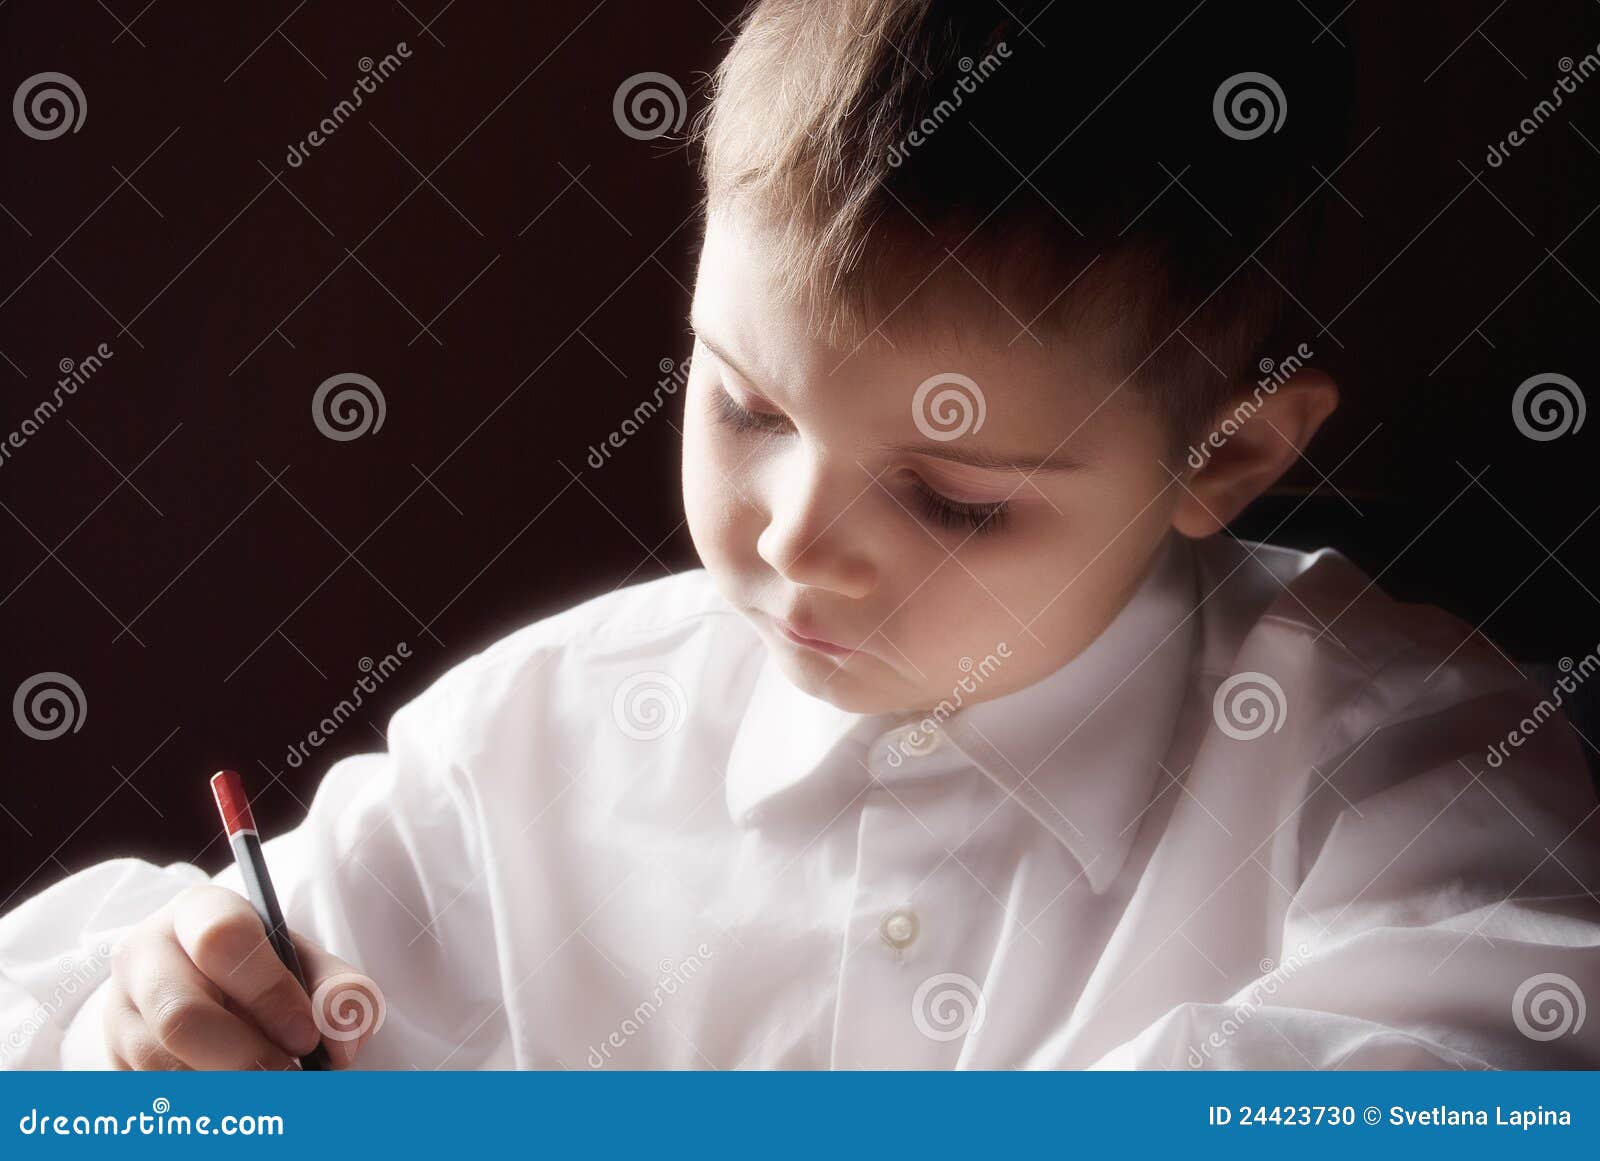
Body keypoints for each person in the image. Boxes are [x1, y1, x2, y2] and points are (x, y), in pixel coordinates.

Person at [4, 0, 1598, 1070]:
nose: (796, 541)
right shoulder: (537, 747)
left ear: (1227, 453)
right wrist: (161, 1032)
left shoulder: (1395, 756)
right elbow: (124, 1028)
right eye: (749, 407)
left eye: (956, 494)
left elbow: (1499, 1059)